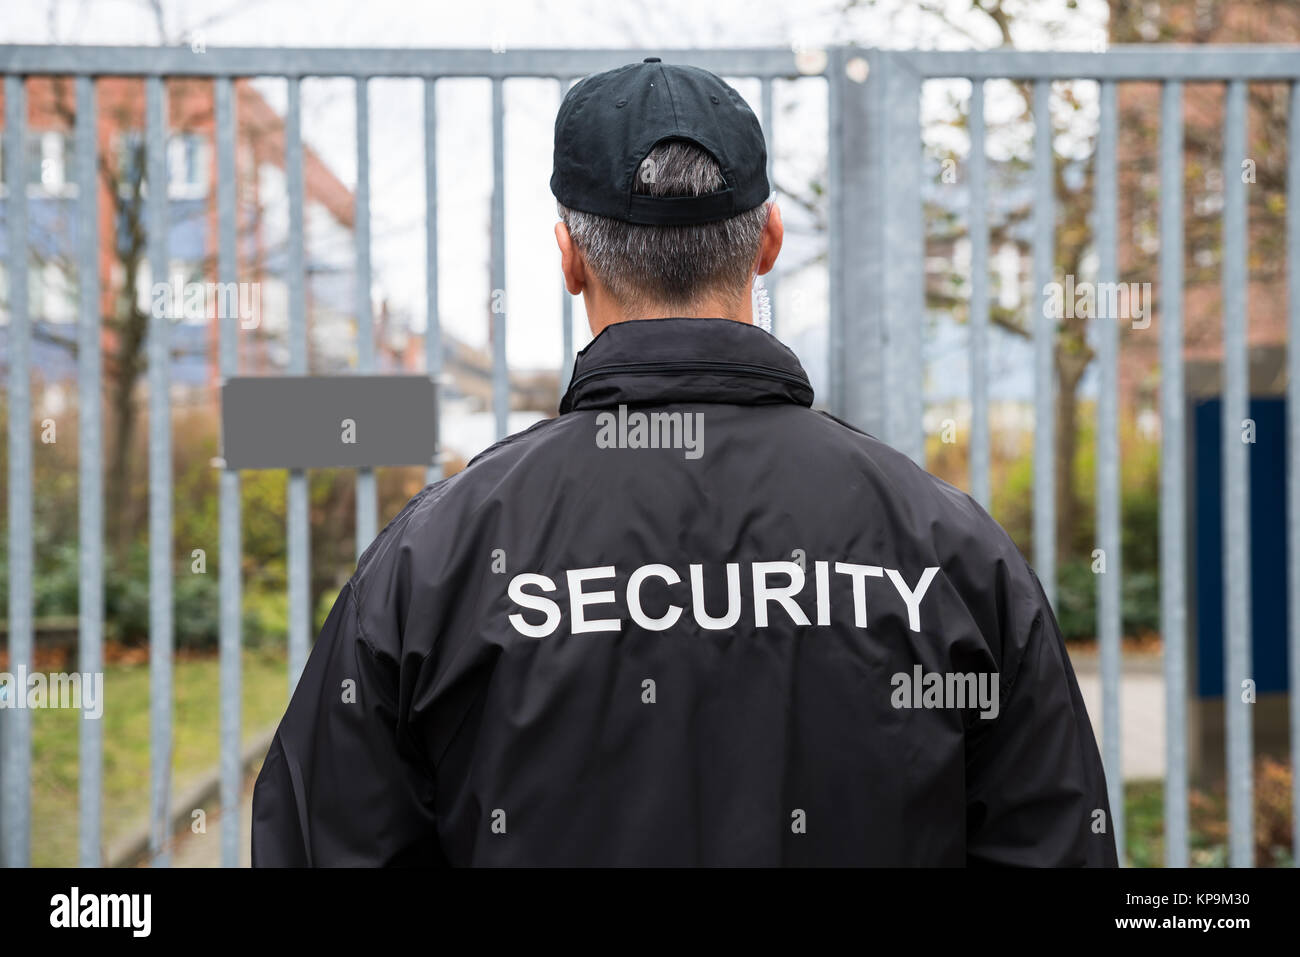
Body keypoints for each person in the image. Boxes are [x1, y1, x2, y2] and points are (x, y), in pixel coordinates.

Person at [251, 58, 1117, 867]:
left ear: (570, 258)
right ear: (769, 239)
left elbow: (326, 840)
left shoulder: (436, 560)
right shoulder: (948, 550)